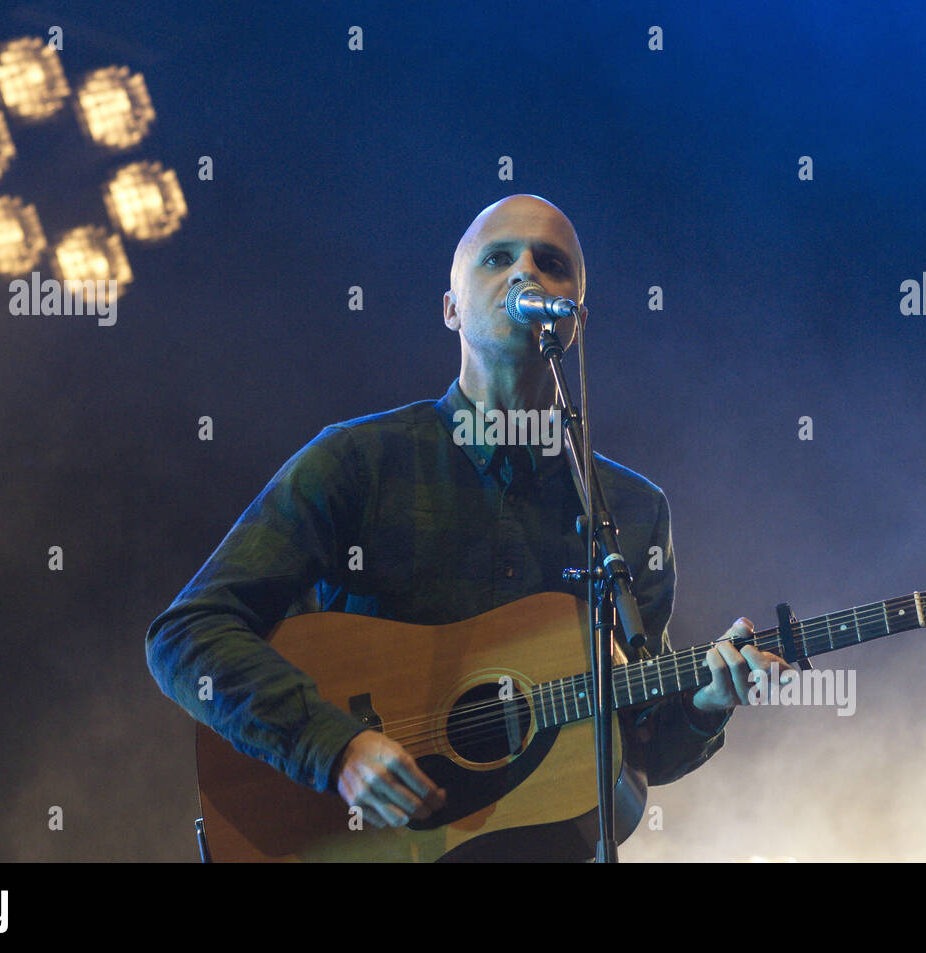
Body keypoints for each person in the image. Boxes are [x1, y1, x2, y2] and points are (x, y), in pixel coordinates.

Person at [145, 194, 794, 854]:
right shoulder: (358, 461)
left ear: (576, 319)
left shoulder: (631, 508)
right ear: (451, 307)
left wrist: (706, 703)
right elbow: (187, 633)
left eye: (550, 262)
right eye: (498, 258)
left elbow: (638, 745)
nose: (525, 274)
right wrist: (334, 747)